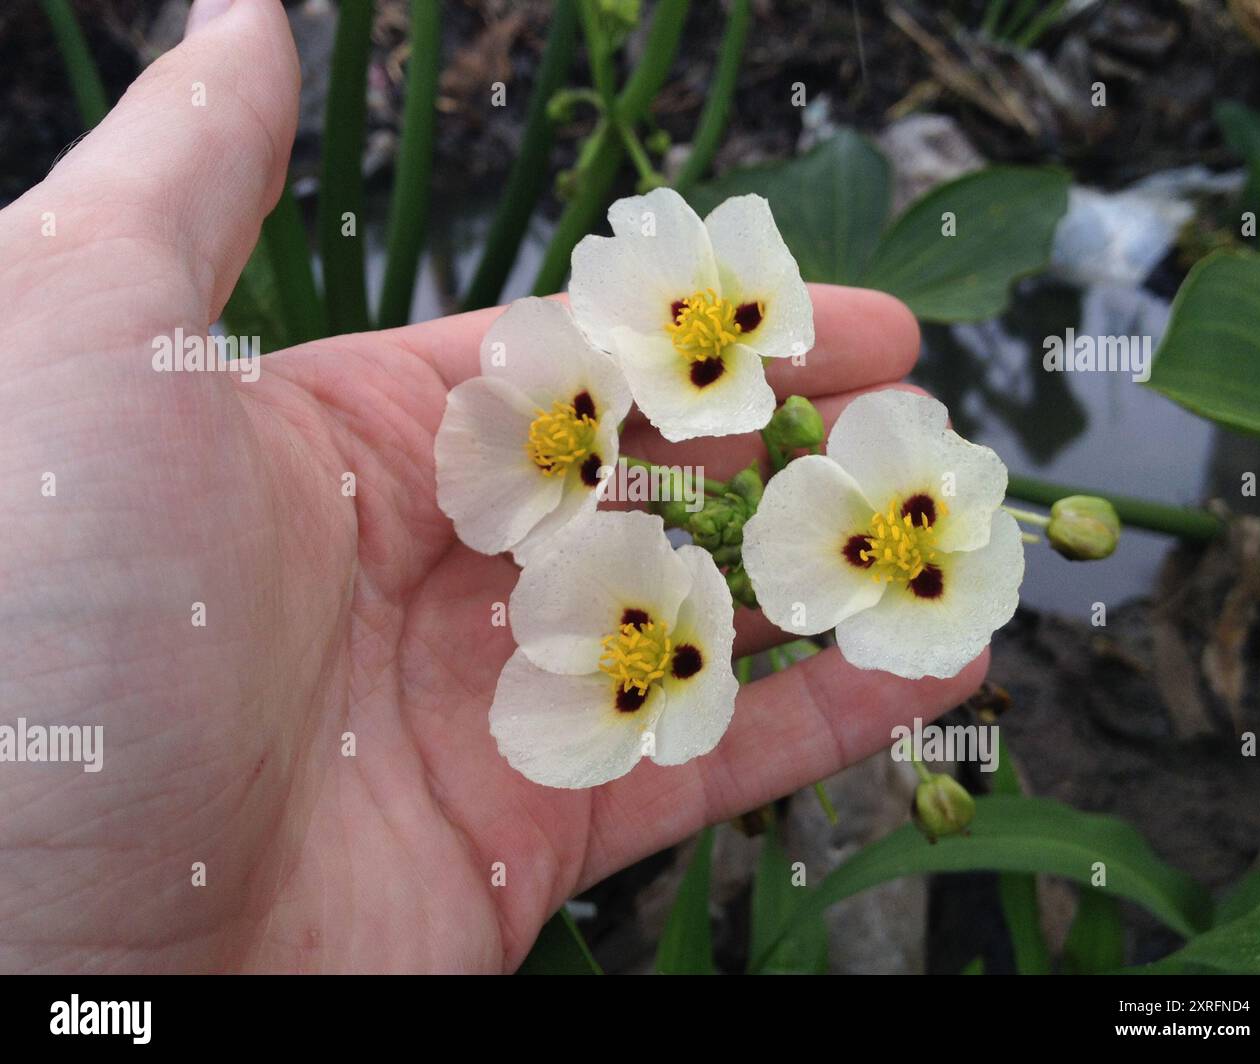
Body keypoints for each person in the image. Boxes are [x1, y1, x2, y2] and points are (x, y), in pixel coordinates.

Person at [0, 0, 985, 972]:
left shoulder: (708, 459)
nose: (698, 325)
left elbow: (750, 552)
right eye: (692, 322)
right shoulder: (632, 524)